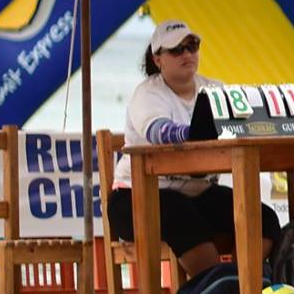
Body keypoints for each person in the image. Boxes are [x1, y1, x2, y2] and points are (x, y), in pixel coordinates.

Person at [108, 20, 282, 280]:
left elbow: (243, 124)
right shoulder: (147, 94)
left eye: (192, 46)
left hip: (196, 196)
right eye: (176, 50)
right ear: (158, 60)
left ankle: (245, 290)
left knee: (263, 218)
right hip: (135, 197)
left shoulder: (216, 88)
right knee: (182, 215)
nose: (187, 54)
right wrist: (195, 135)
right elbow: (158, 131)